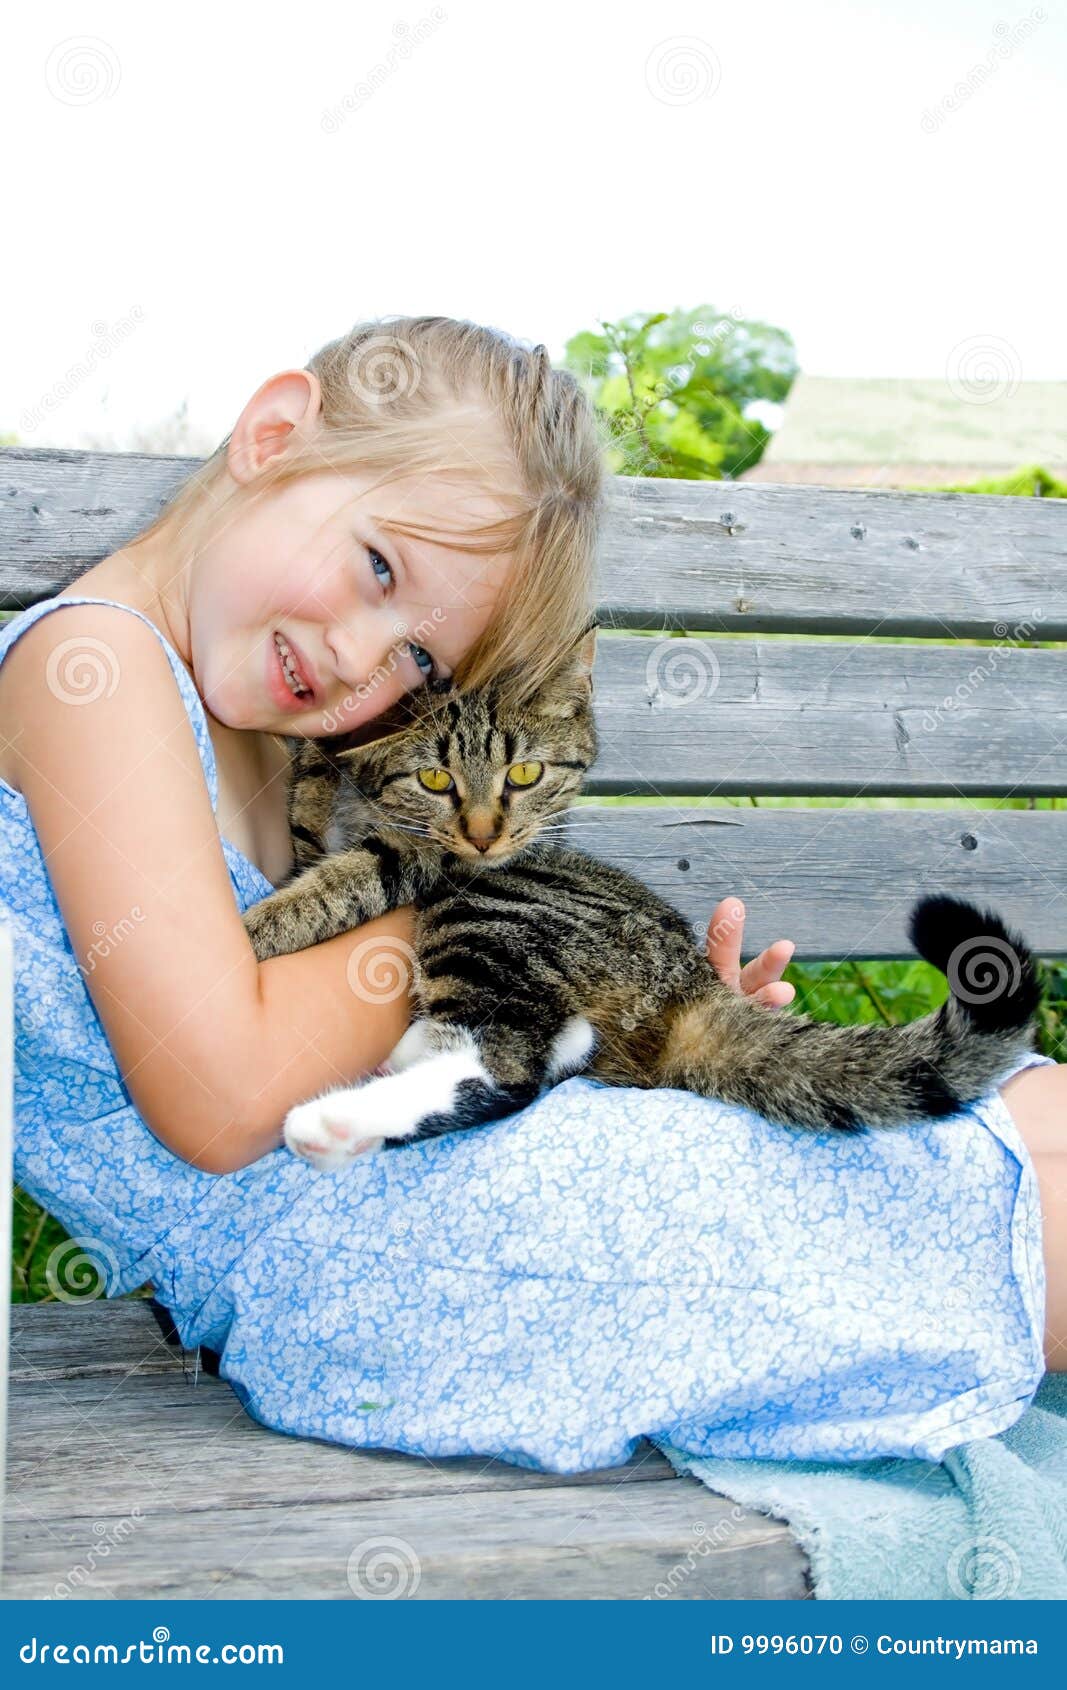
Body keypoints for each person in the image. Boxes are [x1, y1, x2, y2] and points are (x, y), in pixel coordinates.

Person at [0, 316, 1062, 1474]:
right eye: (379, 568)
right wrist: (519, 935)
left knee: (1009, 1117)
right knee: (959, 1189)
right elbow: (217, 1093)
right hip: (358, 1257)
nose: (364, 661)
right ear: (272, 435)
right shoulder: (89, 668)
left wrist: (629, 1008)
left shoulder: (256, 712)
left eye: (419, 661)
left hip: (427, 1186)